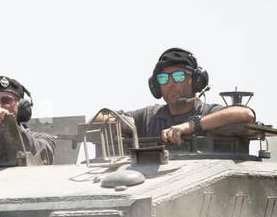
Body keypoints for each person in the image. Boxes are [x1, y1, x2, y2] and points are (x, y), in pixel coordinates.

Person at [101, 47, 256, 147]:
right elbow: (98, 118)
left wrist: (190, 126)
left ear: (196, 81)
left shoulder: (208, 112)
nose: (170, 83)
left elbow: (246, 114)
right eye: (163, 78)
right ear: (156, 86)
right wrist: (123, 122)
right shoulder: (149, 117)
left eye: (178, 76)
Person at [0, 75, 57, 164]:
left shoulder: (44, 139)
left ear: (20, 106)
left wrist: (8, 124)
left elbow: (43, 155)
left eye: (6, 101)